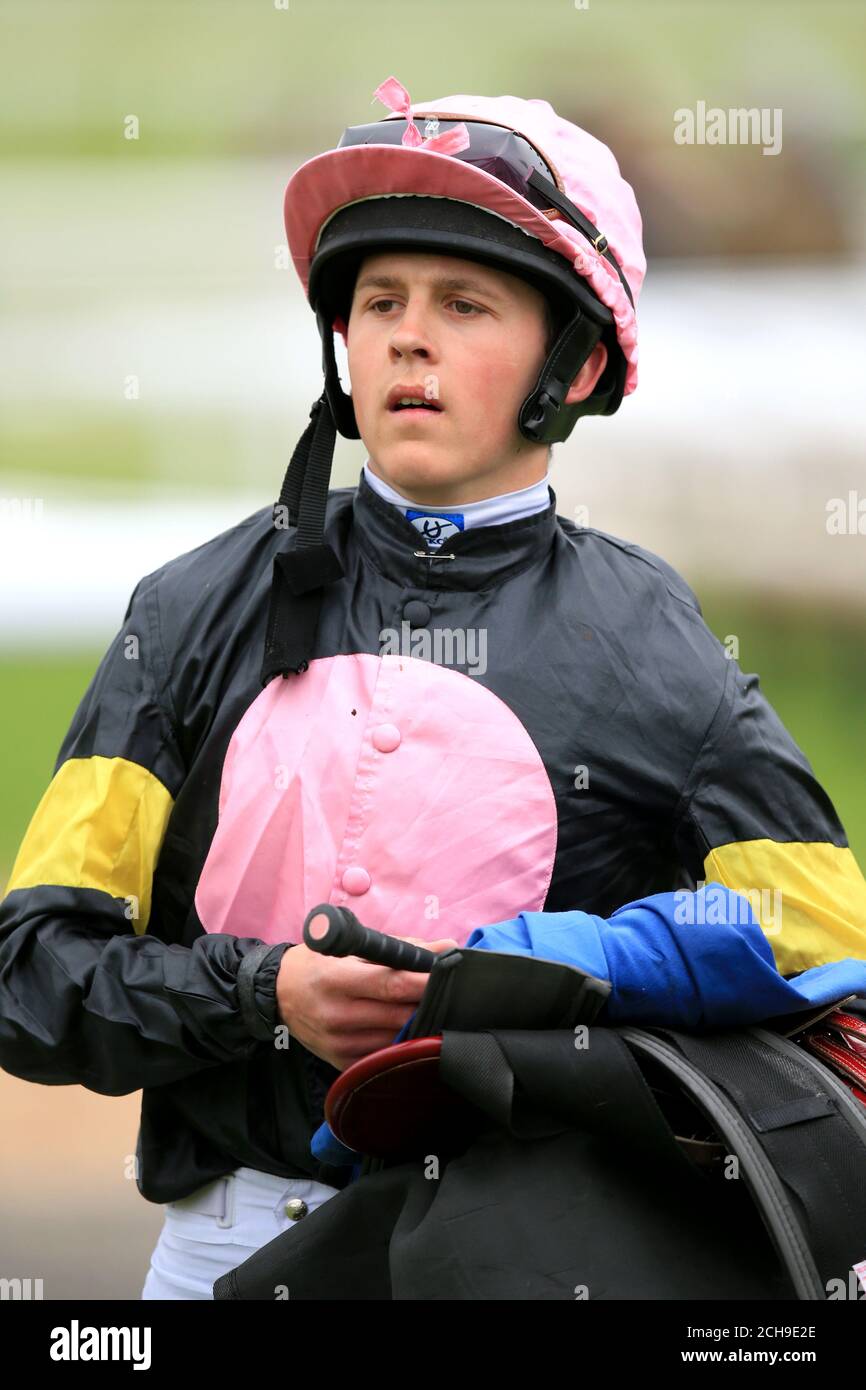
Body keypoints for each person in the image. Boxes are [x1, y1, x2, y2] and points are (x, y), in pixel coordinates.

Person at [1, 74, 865, 1301]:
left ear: (569, 361)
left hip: (519, 1248)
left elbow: (823, 934)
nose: (407, 336)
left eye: (463, 303)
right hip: (224, 1250)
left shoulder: (654, 641)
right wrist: (262, 994)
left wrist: (556, 961)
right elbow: (28, 972)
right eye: (379, 300)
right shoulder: (187, 612)